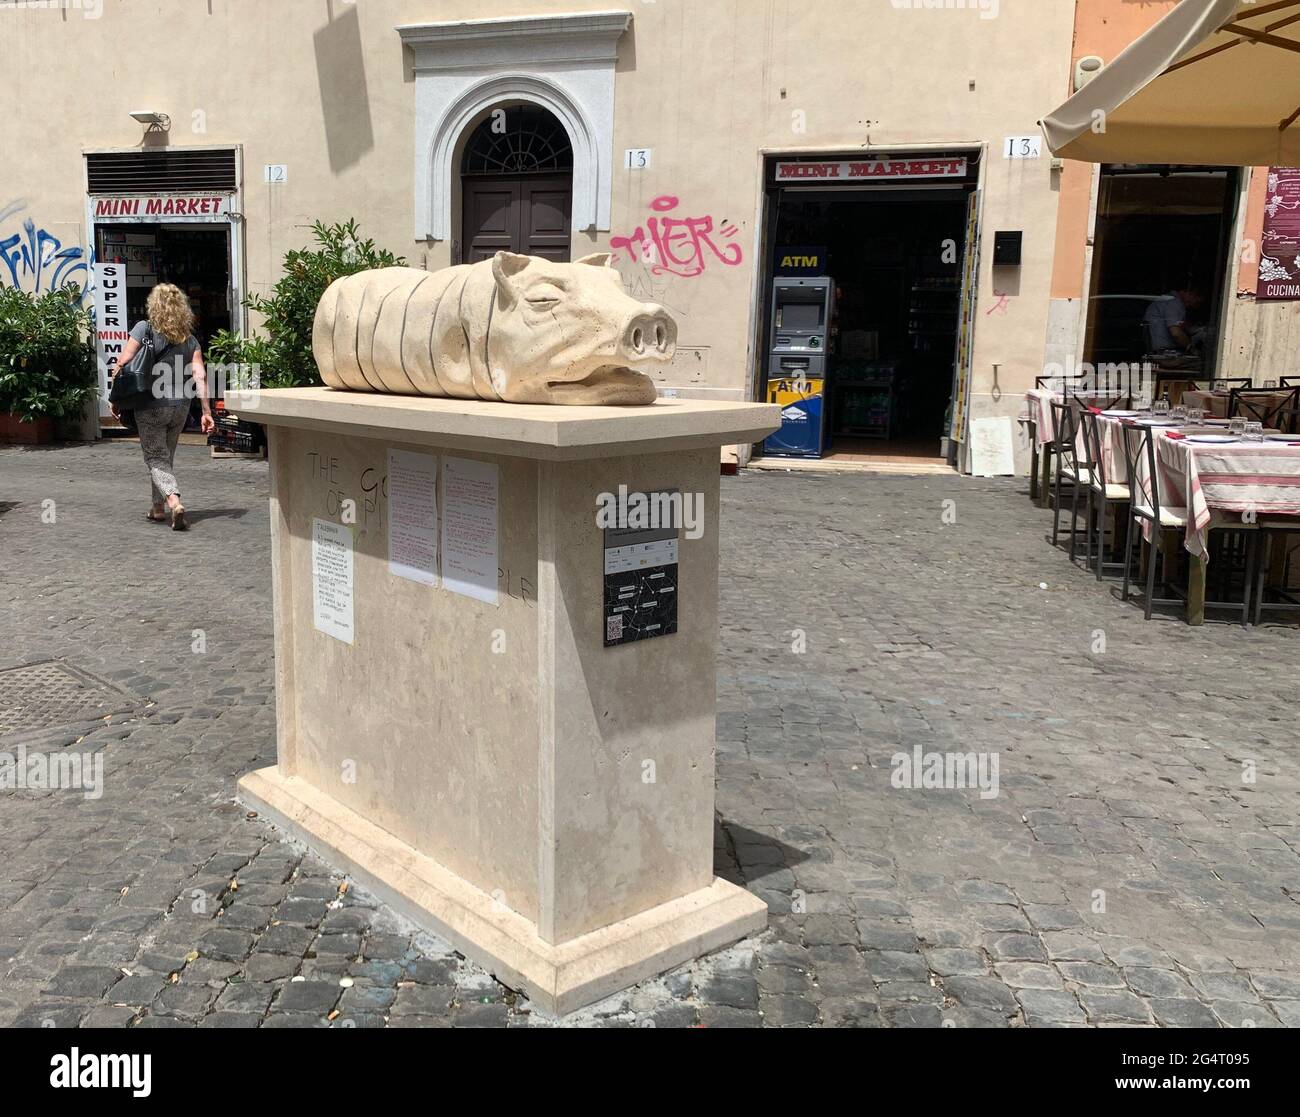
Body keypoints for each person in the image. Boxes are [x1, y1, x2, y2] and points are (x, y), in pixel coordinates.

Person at [109, 283, 215, 531]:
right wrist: (206, 411)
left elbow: (122, 364)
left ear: (153, 306)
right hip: (181, 406)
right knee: (165, 456)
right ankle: (157, 509)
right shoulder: (190, 340)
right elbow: (200, 374)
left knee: (156, 457)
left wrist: (115, 400)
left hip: (151, 405)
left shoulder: (143, 329)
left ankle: (173, 501)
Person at [1143, 287, 1206, 353]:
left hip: (1158, 350)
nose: (1194, 306)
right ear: (1189, 293)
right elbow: (1176, 333)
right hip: (1164, 352)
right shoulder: (1174, 302)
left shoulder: (1167, 300)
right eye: (1197, 302)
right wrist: (1191, 348)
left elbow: (1182, 326)